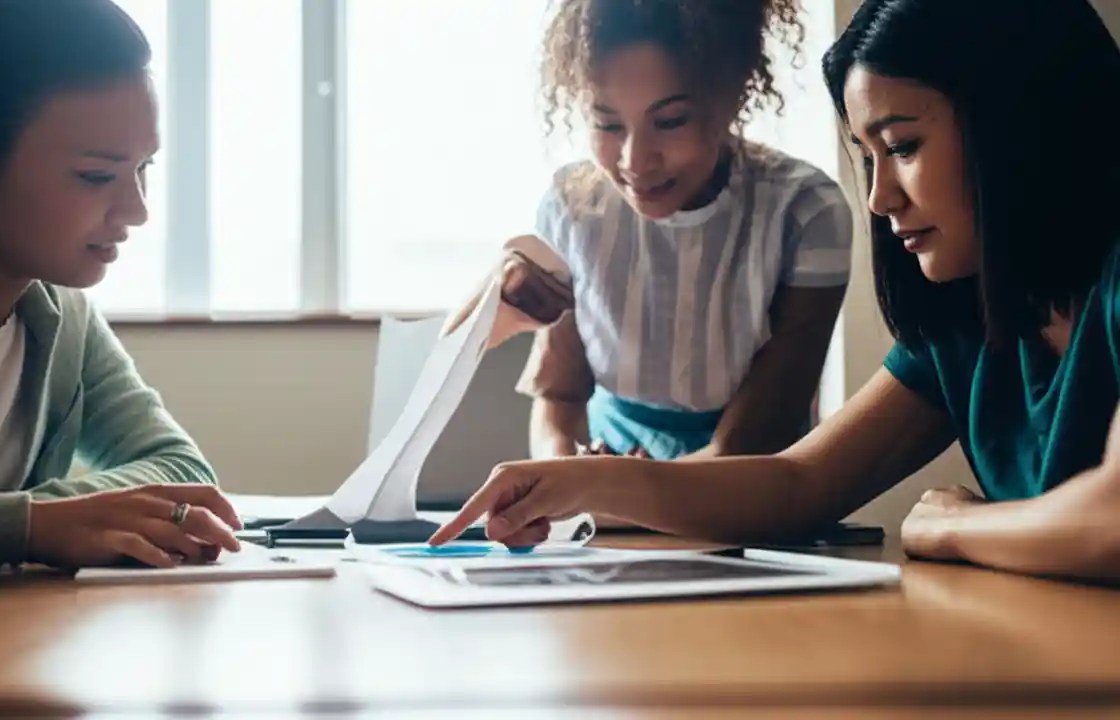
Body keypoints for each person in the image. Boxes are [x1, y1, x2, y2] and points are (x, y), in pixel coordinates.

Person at [433, 0, 1120, 584]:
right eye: (867, 156)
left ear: (1020, 121)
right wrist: (576, 482)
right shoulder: (964, 320)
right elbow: (800, 483)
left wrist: (959, 527)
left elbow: (1111, 518)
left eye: (903, 146)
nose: (879, 198)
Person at [0, 0, 242, 583]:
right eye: (96, 176)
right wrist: (30, 525)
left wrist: (58, 517)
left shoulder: (63, 318)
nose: (136, 210)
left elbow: (178, 468)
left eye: (143, 168)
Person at [449, 0, 852, 463]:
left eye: (670, 120)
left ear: (735, 94)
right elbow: (558, 399)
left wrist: (624, 488)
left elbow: (756, 436)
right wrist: (565, 474)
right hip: (606, 477)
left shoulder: (805, 211)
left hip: (749, 489)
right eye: (607, 123)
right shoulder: (573, 209)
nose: (634, 162)